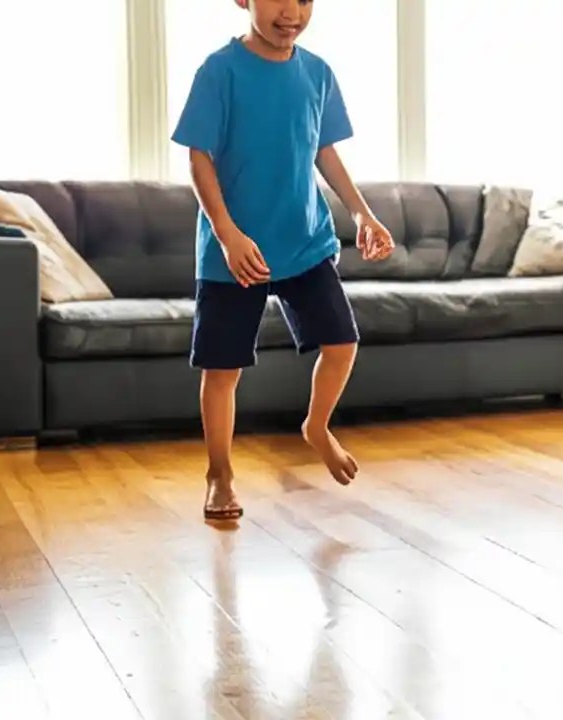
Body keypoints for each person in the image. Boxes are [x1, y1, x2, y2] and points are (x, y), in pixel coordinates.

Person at [172, 0, 395, 520]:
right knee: (222, 370)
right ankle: (219, 474)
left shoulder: (317, 72)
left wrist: (361, 213)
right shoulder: (220, 71)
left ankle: (316, 426)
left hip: (305, 242)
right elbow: (198, 156)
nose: (291, 10)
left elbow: (324, 151)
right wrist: (226, 233)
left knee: (342, 343)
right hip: (236, 251)